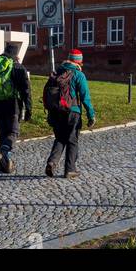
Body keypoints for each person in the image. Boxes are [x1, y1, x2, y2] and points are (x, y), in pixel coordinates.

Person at [43, 48, 95, 179]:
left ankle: (52, 162)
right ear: (79, 62)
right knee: (72, 140)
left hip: (56, 111)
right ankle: (70, 170)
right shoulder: (78, 75)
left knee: (60, 138)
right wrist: (91, 115)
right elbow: (85, 97)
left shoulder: (57, 72)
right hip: (73, 111)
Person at [0, 40, 31, 174]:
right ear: (16, 54)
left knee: (3, 134)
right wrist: (28, 108)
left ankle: (5, 165)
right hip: (12, 105)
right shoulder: (17, 67)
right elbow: (26, 90)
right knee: (13, 132)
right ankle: (2, 152)